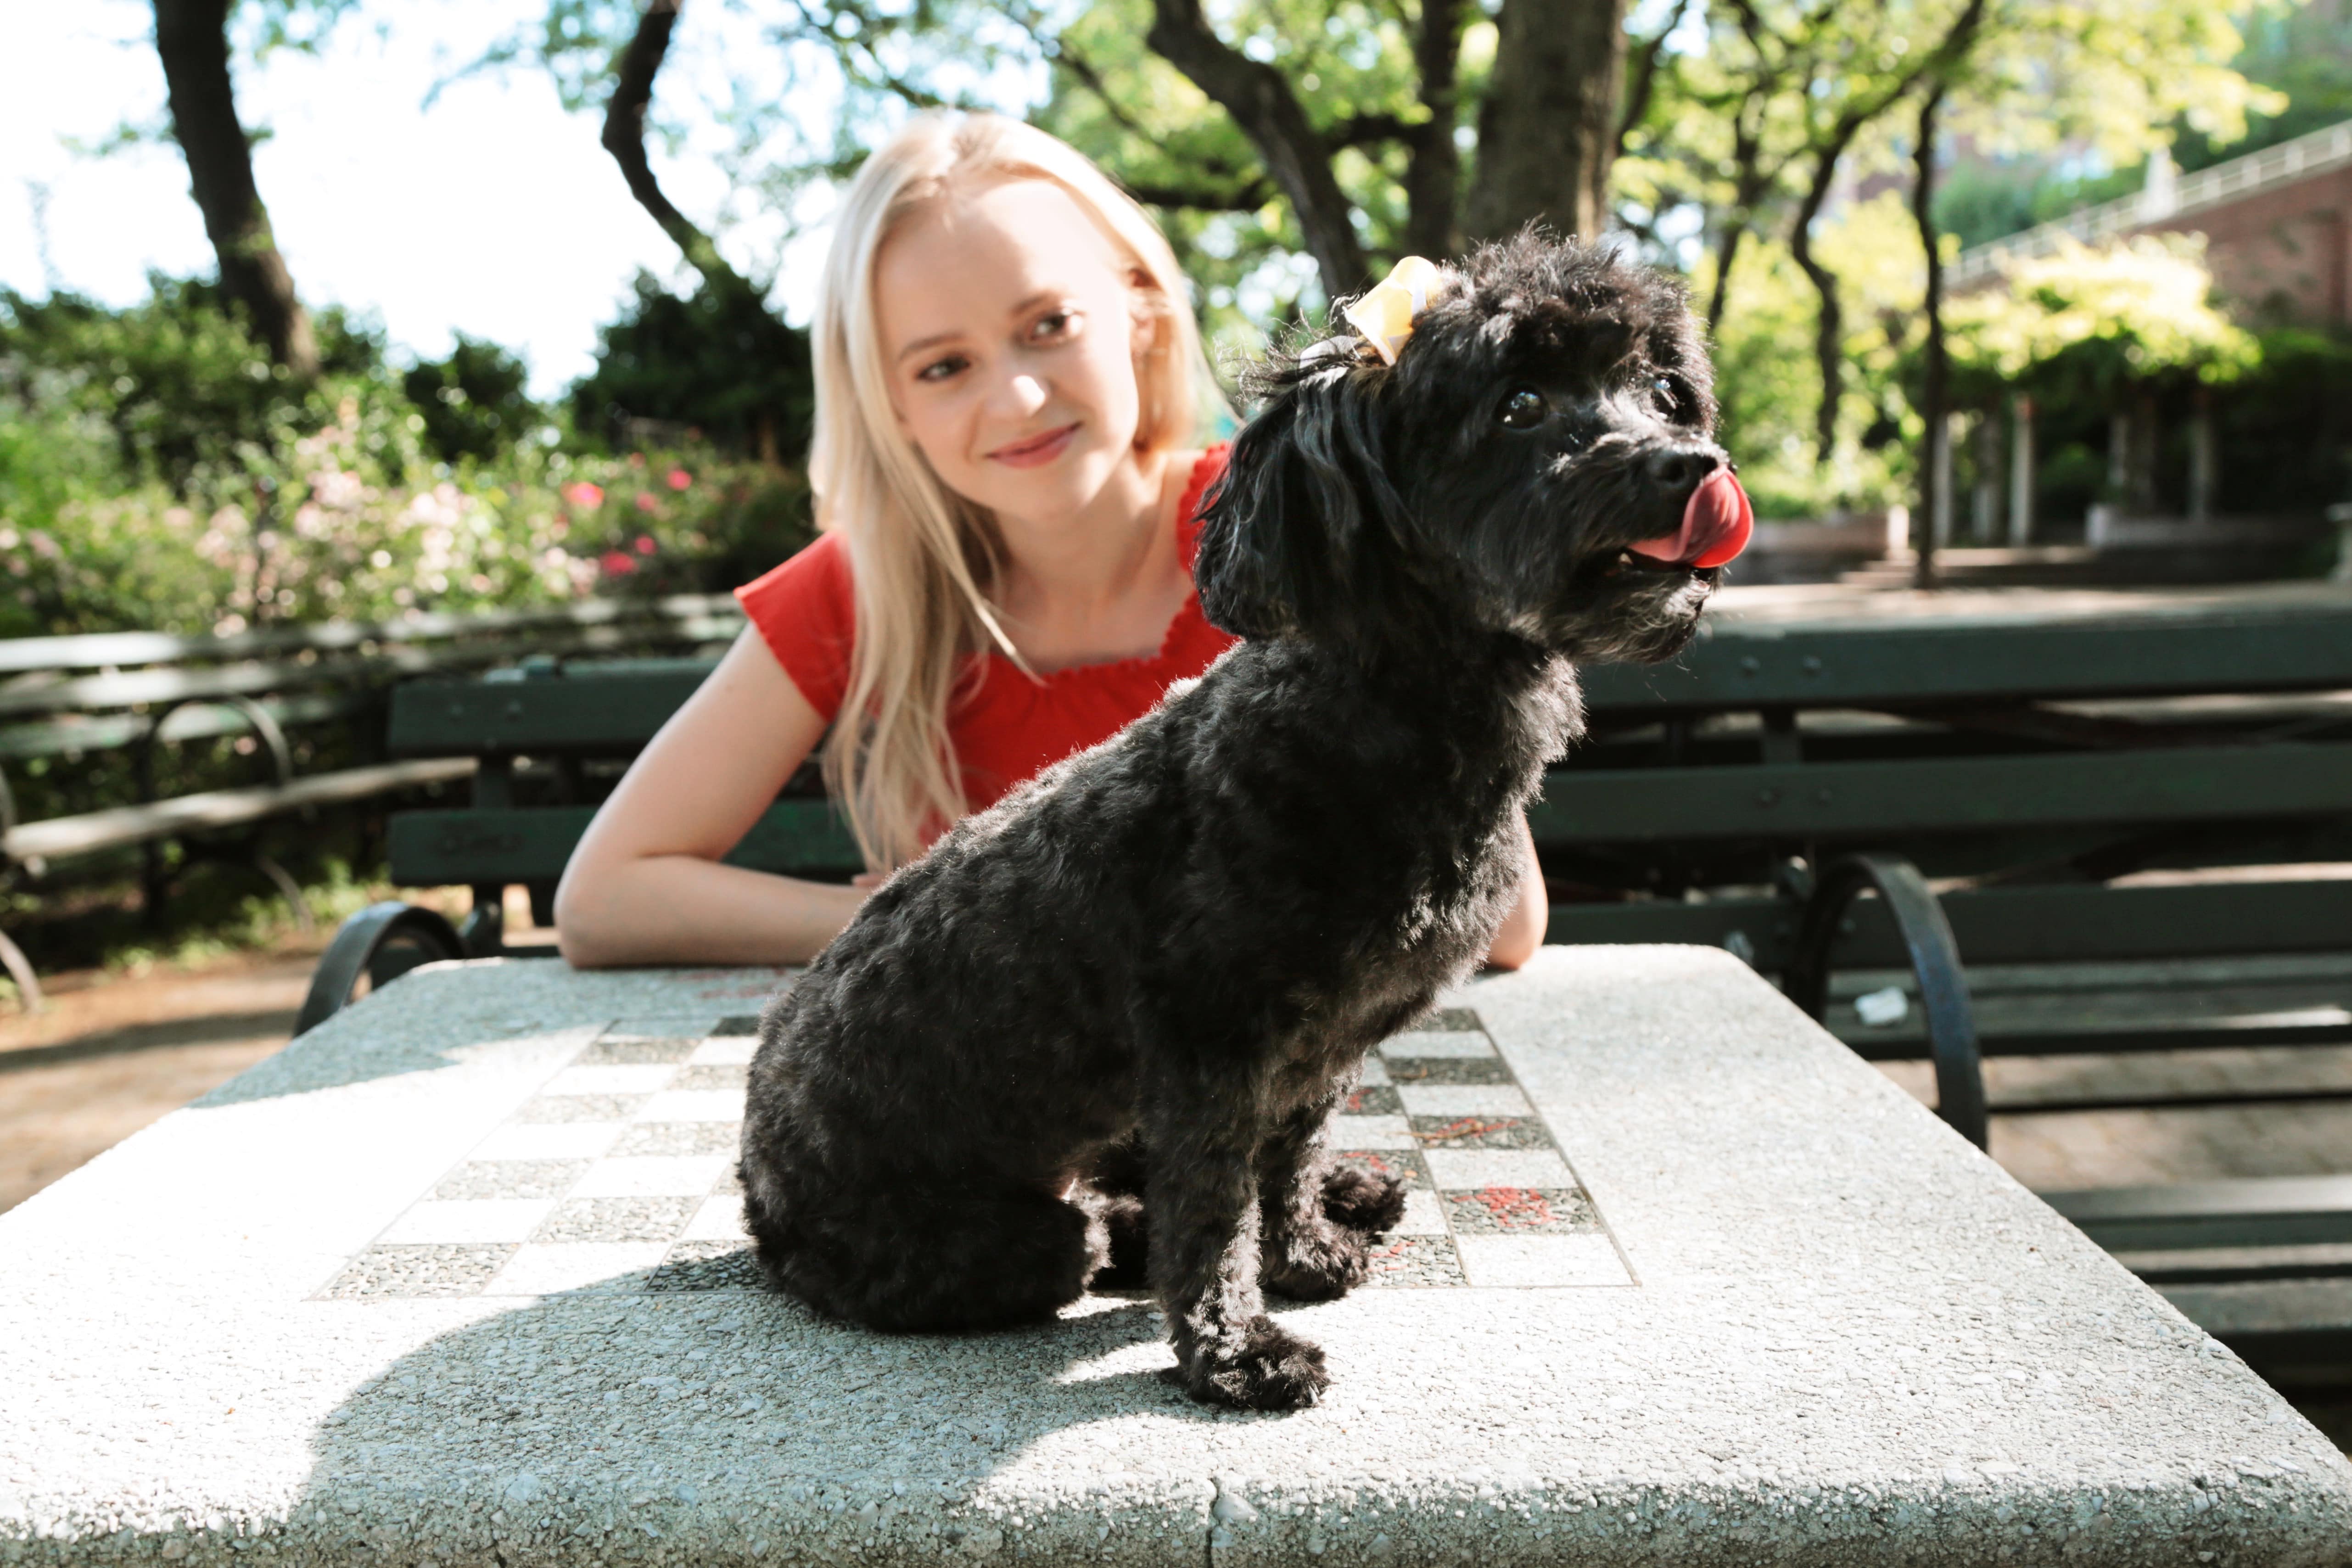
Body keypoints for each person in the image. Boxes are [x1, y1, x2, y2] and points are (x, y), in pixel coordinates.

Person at [554, 113, 1547, 969]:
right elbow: (602, 900)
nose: (1017, 397)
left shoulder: (1300, 526)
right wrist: (926, 916)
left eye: (1049, 324)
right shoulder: (869, 587)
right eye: (943, 366)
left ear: (1140, 314)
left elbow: (1505, 919)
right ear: (889, 406)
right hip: (1000, 1117)